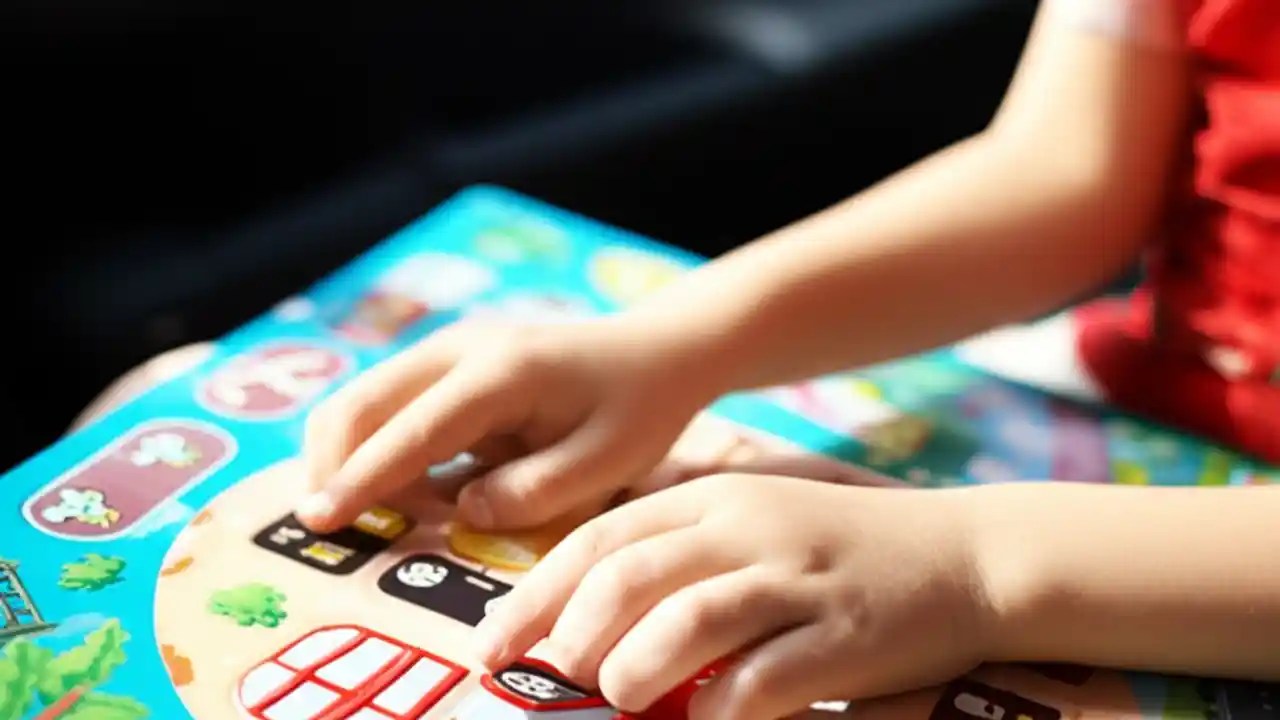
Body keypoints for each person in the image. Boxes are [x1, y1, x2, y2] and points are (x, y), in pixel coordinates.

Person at [84, 0, 1280, 717]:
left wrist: (973, 565)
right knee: (163, 395)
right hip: (1121, 406)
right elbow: (1061, 173)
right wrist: (674, 342)